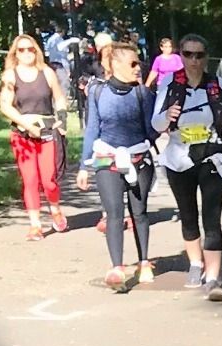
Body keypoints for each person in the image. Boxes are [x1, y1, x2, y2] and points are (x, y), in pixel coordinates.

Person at [152, 33, 222, 301]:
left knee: (212, 217)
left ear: (206, 57)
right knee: (188, 215)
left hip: (212, 157)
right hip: (178, 157)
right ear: (181, 55)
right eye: (188, 54)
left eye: (199, 55)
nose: (194, 60)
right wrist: (167, 116)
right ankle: (195, 264)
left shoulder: (216, 83)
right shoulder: (169, 82)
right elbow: (155, 124)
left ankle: (213, 278)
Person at [78, 42, 158, 290]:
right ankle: (117, 268)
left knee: (139, 212)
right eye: (133, 64)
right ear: (115, 65)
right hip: (106, 157)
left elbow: (150, 132)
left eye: (140, 63)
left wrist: (168, 122)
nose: (139, 68)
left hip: (138, 159)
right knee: (113, 212)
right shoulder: (97, 92)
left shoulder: (143, 94)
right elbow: (92, 129)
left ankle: (144, 261)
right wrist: (84, 166)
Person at [0, 34, 71, 241]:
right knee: (30, 180)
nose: (27, 53)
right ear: (15, 53)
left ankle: (55, 209)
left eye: (30, 49)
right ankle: (35, 225)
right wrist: (26, 125)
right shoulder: (10, 76)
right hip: (22, 135)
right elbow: (5, 105)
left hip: (47, 132)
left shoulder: (46, 72)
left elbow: (59, 98)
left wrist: (62, 120)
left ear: (36, 51)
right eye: (21, 50)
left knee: (49, 180)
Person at [44, 23, 80, 100]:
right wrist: (71, 41)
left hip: (55, 64)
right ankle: (61, 101)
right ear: (63, 31)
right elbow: (60, 48)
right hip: (59, 65)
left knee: (56, 84)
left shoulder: (52, 39)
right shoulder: (57, 39)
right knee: (64, 84)